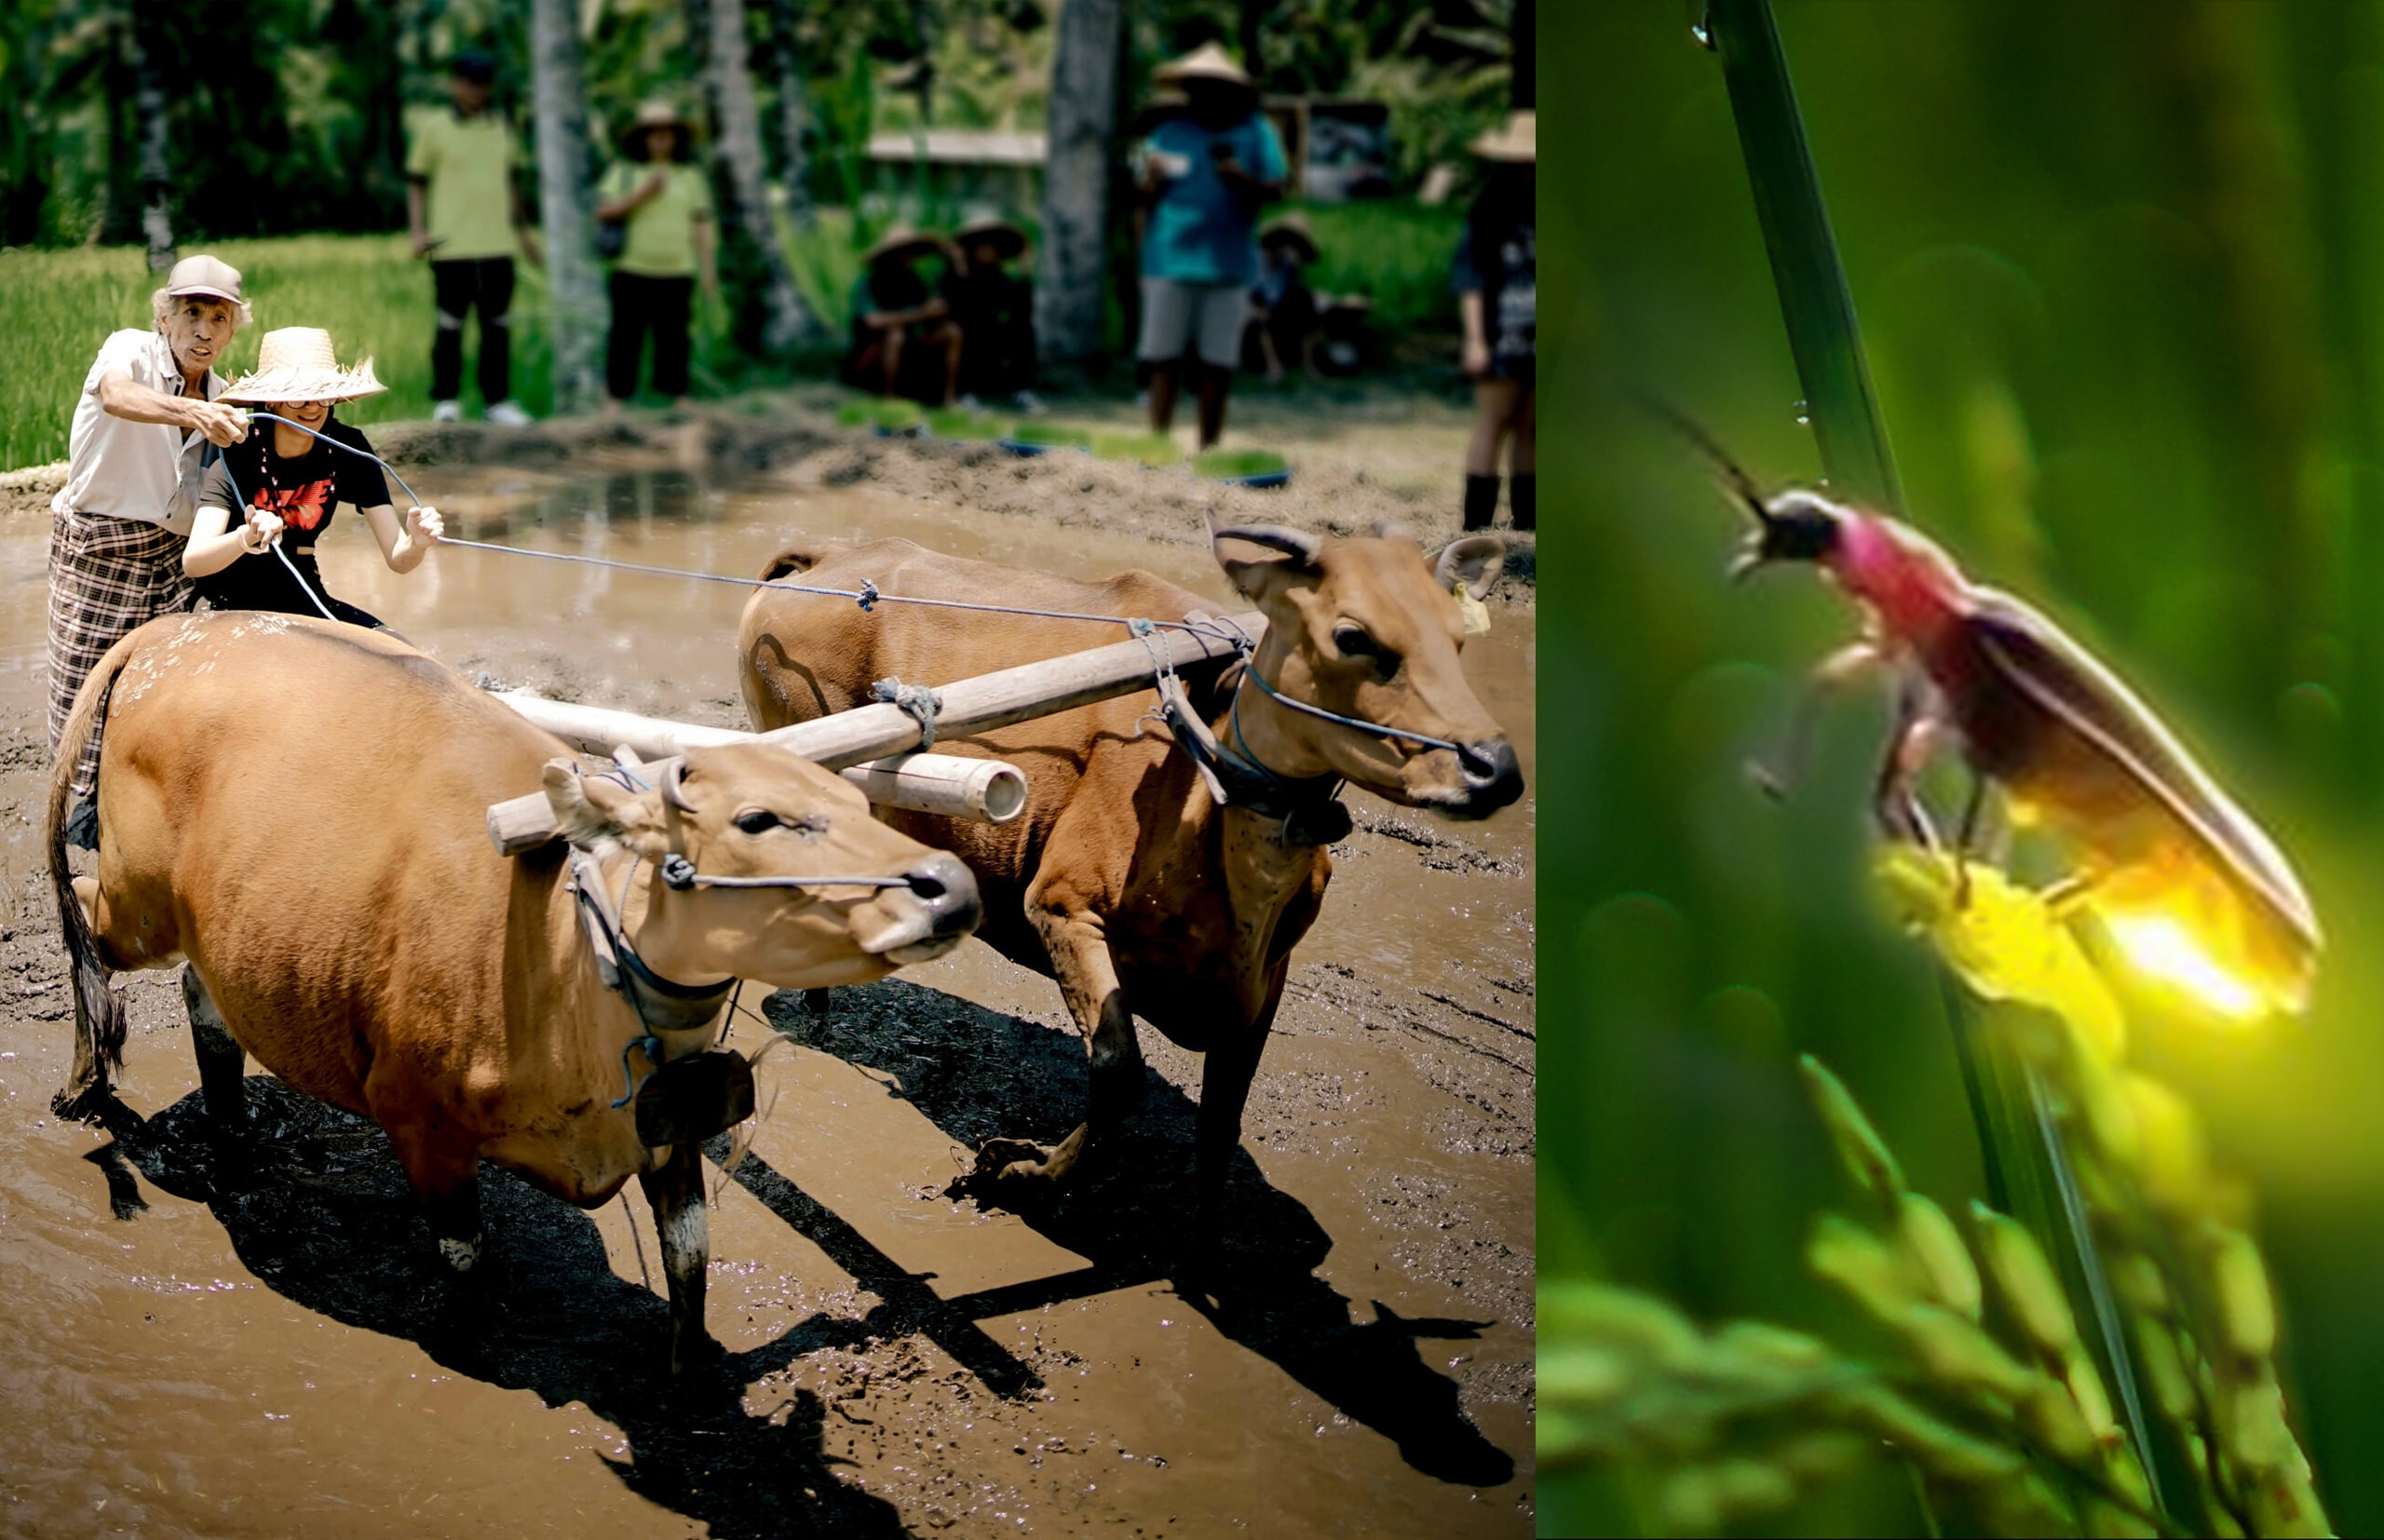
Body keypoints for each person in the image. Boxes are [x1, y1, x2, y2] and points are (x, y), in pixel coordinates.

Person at [48, 255, 253, 842]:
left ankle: (146, 815)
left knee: (155, 688)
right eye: (191, 312)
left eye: (219, 317)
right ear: (165, 317)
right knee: (83, 692)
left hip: (175, 559)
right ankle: (79, 828)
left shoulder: (228, 395)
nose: (204, 330)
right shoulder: (129, 352)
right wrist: (193, 412)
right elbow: (116, 396)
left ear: (233, 327)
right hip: (101, 548)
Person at [185, 328, 444, 628]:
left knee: (400, 655)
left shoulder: (350, 450)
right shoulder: (239, 450)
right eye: (298, 398)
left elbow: (398, 559)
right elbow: (194, 561)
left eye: (322, 396)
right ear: (271, 401)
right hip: (227, 597)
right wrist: (249, 535)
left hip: (302, 588)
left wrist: (417, 543)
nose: (312, 407)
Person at [1132, 43, 1286, 449]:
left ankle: (1209, 447)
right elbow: (1142, 199)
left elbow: (1278, 187)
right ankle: (1157, 444)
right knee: (1163, 358)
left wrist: (1242, 180)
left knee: (1218, 363)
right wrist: (1150, 182)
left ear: (1231, 90)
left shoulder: (1256, 131)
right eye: (1194, 86)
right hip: (1168, 259)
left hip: (1228, 263)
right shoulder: (1168, 133)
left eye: (1210, 87)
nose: (1200, 95)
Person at [406, 49, 541, 426]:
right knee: (450, 324)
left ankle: (496, 402)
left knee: (497, 326)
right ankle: (446, 399)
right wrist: (418, 231)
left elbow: (511, 182)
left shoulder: (501, 126)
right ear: (455, 83)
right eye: (469, 81)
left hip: (498, 244)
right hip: (452, 246)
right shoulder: (435, 128)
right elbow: (417, 181)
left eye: (483, 82)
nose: (476, 89)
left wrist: (525, 233)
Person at [596, 101, 716, 412]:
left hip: (677, 269)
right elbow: (604, 212)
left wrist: (708, 270)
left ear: (677, 138)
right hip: (632, 268)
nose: (661, 140)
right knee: (625, 337)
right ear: (642, 138)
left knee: (675, 338)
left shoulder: (690, 176)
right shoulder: (623, 172)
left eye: (668, 134)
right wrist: (642, 194)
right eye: (654, 134)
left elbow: (701, 223)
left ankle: (677, 395)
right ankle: (616, 398)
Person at [1454, 110, 1535, 534]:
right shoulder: (1488, 211)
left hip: (1540, 337)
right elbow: (1471, 279)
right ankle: (1475, 526)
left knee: (1532, 428)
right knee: (1493, 422)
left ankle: (1528, 525)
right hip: (1501, 335)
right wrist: (1475, 340)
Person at [842, 227, 962, 407]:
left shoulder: (915, 281)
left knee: (952, 332)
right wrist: (918, 314)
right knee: (896, 335)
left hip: (909, 349)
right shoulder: (868, 282)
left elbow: (929, 310)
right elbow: (874, 321)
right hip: (872, 353)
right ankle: (889, 399)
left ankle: (948, 398)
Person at [945, 218, 1039, 412]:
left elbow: (1021, 308)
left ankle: (1021, 391)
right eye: (982, 247)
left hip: (992, 335)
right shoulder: (955, 274)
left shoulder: (999, 277)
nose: (987, 252)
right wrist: (960, 268)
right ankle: (965, 392)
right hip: (967, 334)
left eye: (991, 247)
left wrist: (1024, 272)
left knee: (1023, 328)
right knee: (966, 327)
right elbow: (956, 304)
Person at [1246, 214, 1320, 383]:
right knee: (1262, 316)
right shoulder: (1255, 258)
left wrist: (1295, 265)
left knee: (1305, 303)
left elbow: (1292, 287)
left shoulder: (1286, 263)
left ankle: (1308, 363)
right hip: (1255, 303)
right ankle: (1274, 366)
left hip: (1277, 304)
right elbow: (1253, 289)